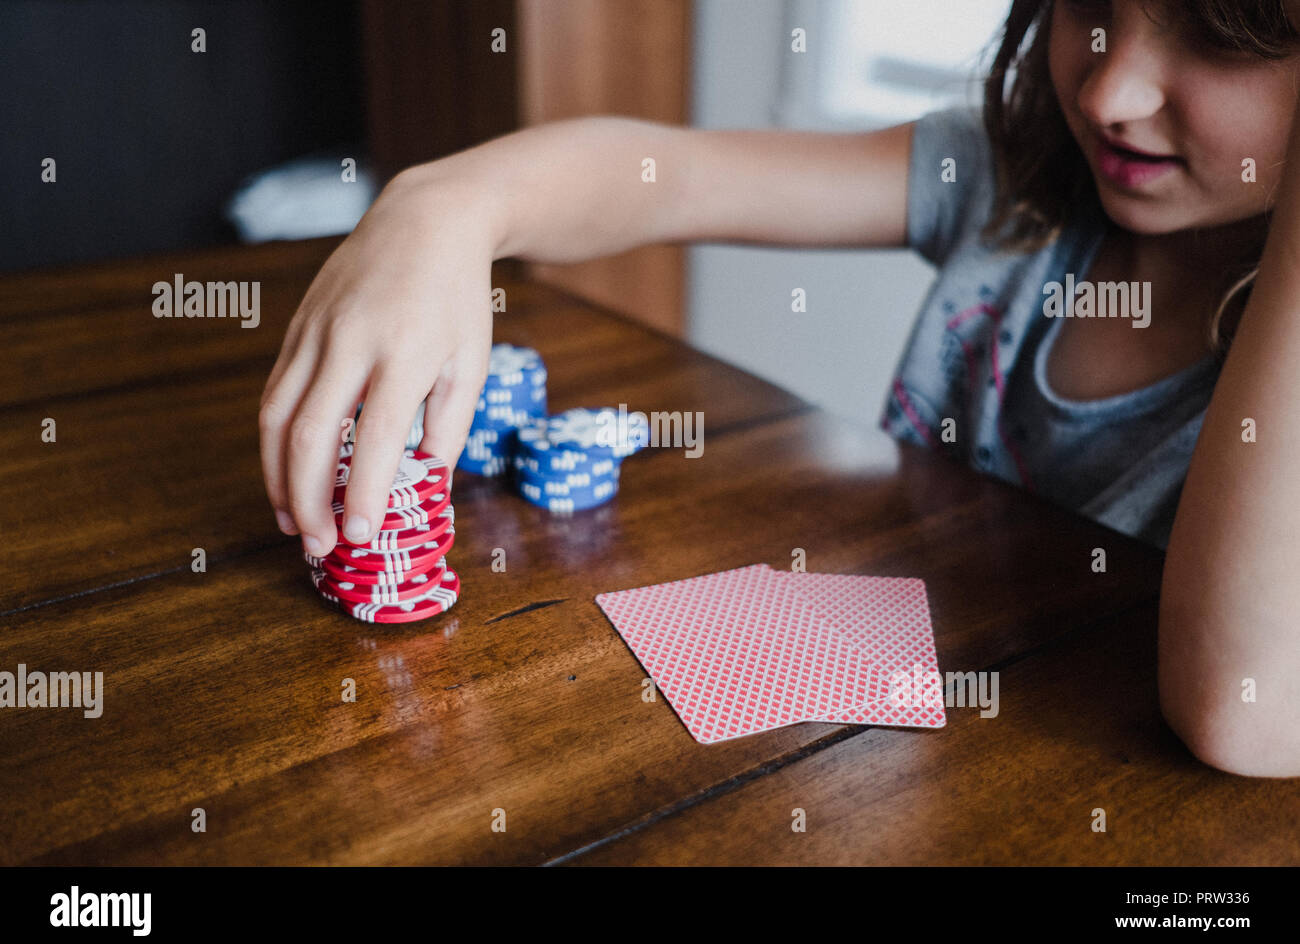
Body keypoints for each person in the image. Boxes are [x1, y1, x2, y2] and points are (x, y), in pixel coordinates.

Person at [260, 0, 1300, 776]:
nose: (1108, 91)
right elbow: (669, 172)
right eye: (1089, 5)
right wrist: (443, 204)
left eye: (1223, 35)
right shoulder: (1009, 178)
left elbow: (1238, 712)